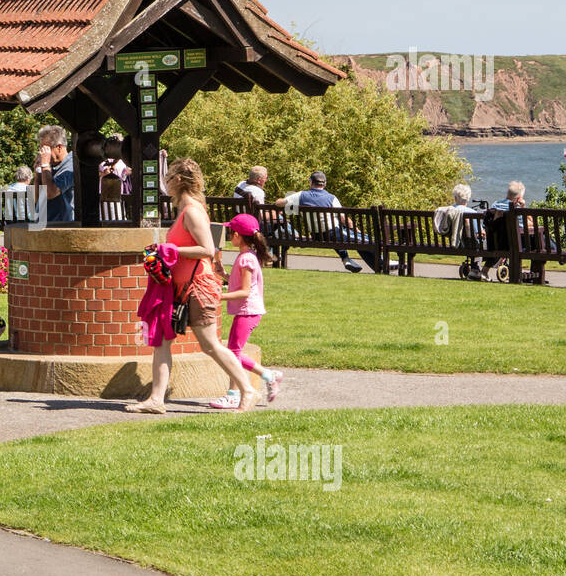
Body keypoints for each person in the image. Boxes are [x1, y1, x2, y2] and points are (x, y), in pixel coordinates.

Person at [126, 158, 256, 414]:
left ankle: (248, 389)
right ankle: (156, 400)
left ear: (176, 180)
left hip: (198, 287)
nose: (165, 184)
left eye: (167, 178)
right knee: (161, 342)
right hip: (179, 289)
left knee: (210, 345)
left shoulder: (193, 211)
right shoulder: (185, 210)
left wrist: (171, 249)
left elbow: (207, 249)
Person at [207, 214, 282, 409]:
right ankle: (263, 378)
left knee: (233, 354)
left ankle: (238, 391)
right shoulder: (246, 257)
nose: (229, 236)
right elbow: (238, 283)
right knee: (233, 353)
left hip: (248, 311)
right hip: (245, 311)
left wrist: (218, 297)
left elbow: (245, 291)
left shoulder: (246, 259)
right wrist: (223, 274)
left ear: (239, 236)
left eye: (231, 232)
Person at [276, 171, 380, 273]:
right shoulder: (331, 198)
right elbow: (343, 219)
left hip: (316, 235)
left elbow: (278, 203)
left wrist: (288, 197)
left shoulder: (300, 195)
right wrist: (356, 229)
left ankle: (347, 259)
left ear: (310, 182)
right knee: (367, 241)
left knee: (355, 240)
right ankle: (385, 263)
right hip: (332, 234)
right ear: (324, 183)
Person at [32, 125, 74, 223]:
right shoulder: (50, 167)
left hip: (62, 227)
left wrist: (45, 165)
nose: (42, 153)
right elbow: (38, 199)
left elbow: (50, 193)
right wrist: (38, 173)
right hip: (44, 225)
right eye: (41, 148)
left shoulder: (71, 166)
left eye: (45, 148)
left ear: (59, 147)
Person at [98, 134, 132, 222]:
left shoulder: (121, 162)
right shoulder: (121, 162)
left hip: (113, 195)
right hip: (108, 195)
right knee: (113, 217)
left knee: (114, 216)